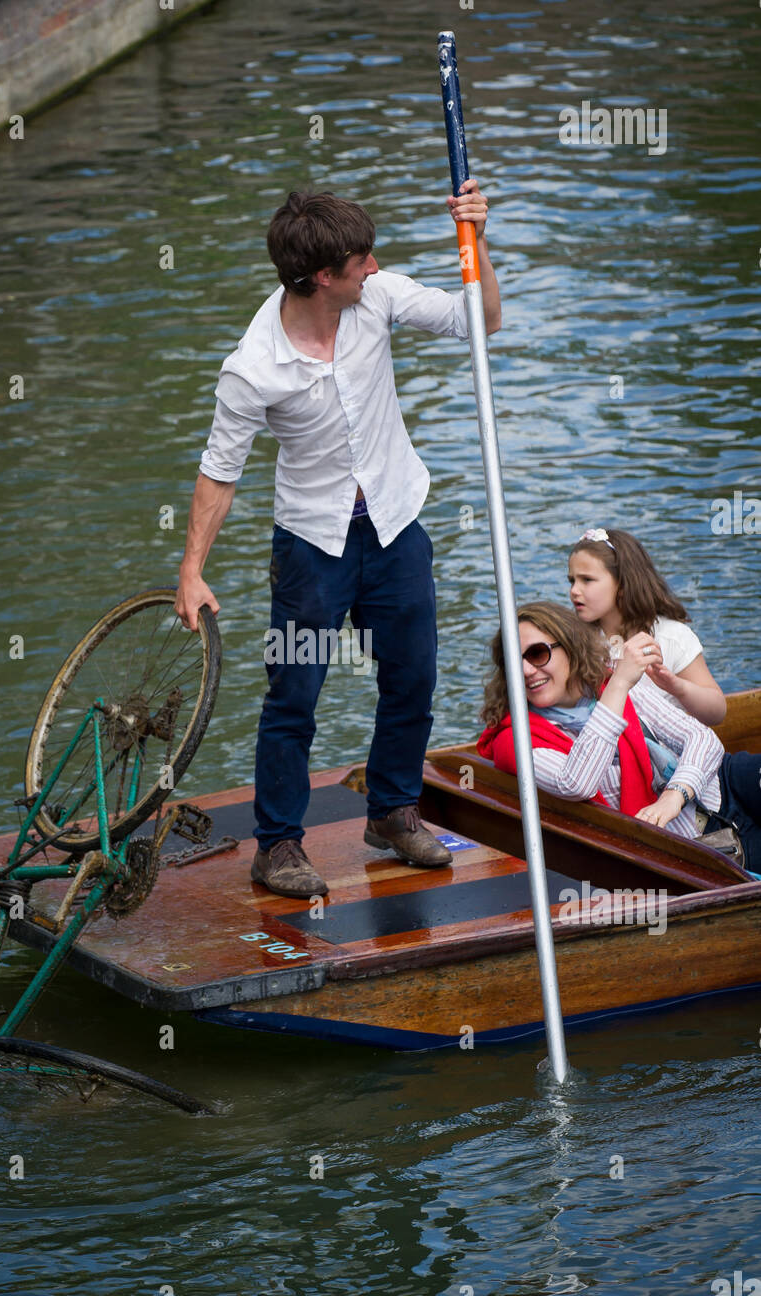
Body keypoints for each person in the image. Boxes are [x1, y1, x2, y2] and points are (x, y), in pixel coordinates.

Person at [175, 179, 501, 897]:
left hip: (394, 528)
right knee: (295, 697)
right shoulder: (252, 369)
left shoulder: (376, 298)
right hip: (312, 552)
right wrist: (192, 571)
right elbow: (218, 473)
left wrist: (475, 235)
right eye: (361, 260)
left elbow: (479, 321)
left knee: (411, 679)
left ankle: (390, 811)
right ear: (323, 276)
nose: (375, 266)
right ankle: (278, 846)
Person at [477, 600, 761, 872]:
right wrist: (619, 685)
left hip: (721, 782)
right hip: (697, 839)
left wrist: (674, 796)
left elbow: (703, 739)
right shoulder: (513, 740)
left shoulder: (604, 681)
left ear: (571, 648)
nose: (526, 670)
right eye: (513, 661)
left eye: (537, 654)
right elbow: (577, 782)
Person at [567, 527, 726, 725]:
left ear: (623, 585)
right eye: (572, 581)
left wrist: (677, 687)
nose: (574, 590)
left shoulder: (671, 636)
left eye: (587, 580)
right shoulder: (575, 641)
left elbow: (717, 712)